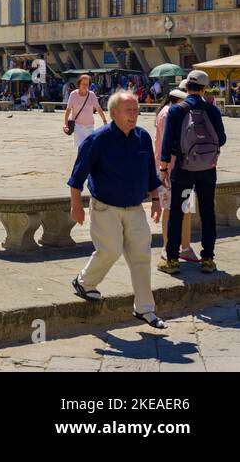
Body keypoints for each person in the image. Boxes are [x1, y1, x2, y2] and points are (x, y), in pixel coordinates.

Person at [68, 89, 167, 329]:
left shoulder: (142, 137)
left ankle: (145, 309)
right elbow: (76, 176)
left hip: (135, 208)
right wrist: (76, 206)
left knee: (142, 256)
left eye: (136, 109)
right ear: (113, 113)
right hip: (105, 207)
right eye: (129, 110)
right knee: (109, 250)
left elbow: (149, 174)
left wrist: (156, 200)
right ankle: (84, 282)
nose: (135, 114)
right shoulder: (98, 139)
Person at [159, 69, 227, 275]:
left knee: (178, 212)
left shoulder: (176, 110)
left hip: (184, 169)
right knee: (208, 212)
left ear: (186, 86)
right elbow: (221, 139)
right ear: (205, 88)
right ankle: (208, 259)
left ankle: (172, 260)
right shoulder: (212, 110)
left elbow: (167, 142)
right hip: (207, 169)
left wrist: (163, 168)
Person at [154, 86, 195, 265]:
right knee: (170, 209)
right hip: (169, 169)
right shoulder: (168, 114)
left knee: (184, 208)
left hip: (179, 167)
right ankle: (168, 246)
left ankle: (185, 246)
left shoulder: (170, 111)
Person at [64, 73, 107, 150]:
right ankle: (81, 162)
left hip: (89, 126)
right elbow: (68, 109)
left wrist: (104, 120)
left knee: (89, 148)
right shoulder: (73, 94)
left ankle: (87, 162)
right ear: (79, 84)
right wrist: (65, 124)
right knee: (81, 147)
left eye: (87, 84)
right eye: (83, 84)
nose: (85, 86)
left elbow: (98, 108)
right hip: (78, 126)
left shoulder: (92, 95)